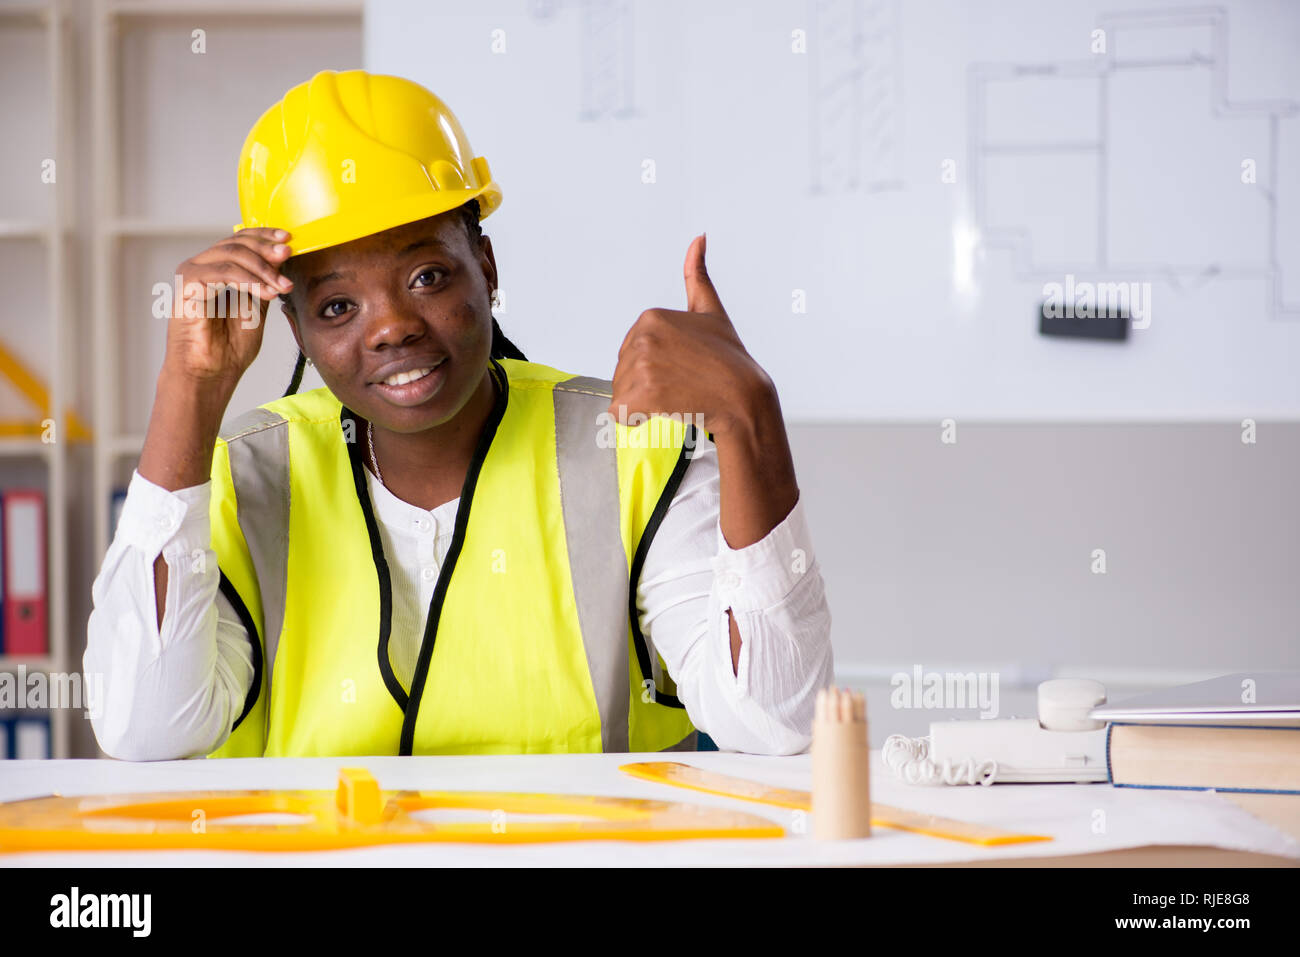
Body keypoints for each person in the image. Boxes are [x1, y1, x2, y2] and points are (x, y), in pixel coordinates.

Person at [84, 70, 832, 759]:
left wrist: (749, 416)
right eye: (338, 305)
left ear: (488, 268)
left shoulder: (630, 449)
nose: (391, 326)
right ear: (298, 330)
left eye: (427, 275)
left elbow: (773, 718)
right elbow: (143, 728)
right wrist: (189, 392)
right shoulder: (246, 475)